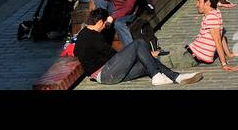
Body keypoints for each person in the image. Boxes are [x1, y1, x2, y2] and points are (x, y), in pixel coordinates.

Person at [75, 8, 203, 87]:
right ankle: (157, 77)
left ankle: (176, 77)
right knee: (138, 43)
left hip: (107, 75)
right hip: (106, 73)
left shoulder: (82, 34)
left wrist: (144, 55)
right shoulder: (94, 37)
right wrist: (135, 54)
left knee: (148, 63)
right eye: (104, 25)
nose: (104, 28)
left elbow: (79, 52)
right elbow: (113, 55)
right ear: (99, 22)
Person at [186, 0, 238, 72]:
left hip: (188, 57)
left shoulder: (211, 17)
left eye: (199, 2)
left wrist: (224, 64)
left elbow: (217, 40)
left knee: (159, 59)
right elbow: (221, 34)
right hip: (190, 53)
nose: (196, 5)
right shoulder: (216, 12)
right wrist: (228, 54)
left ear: (208, 3)